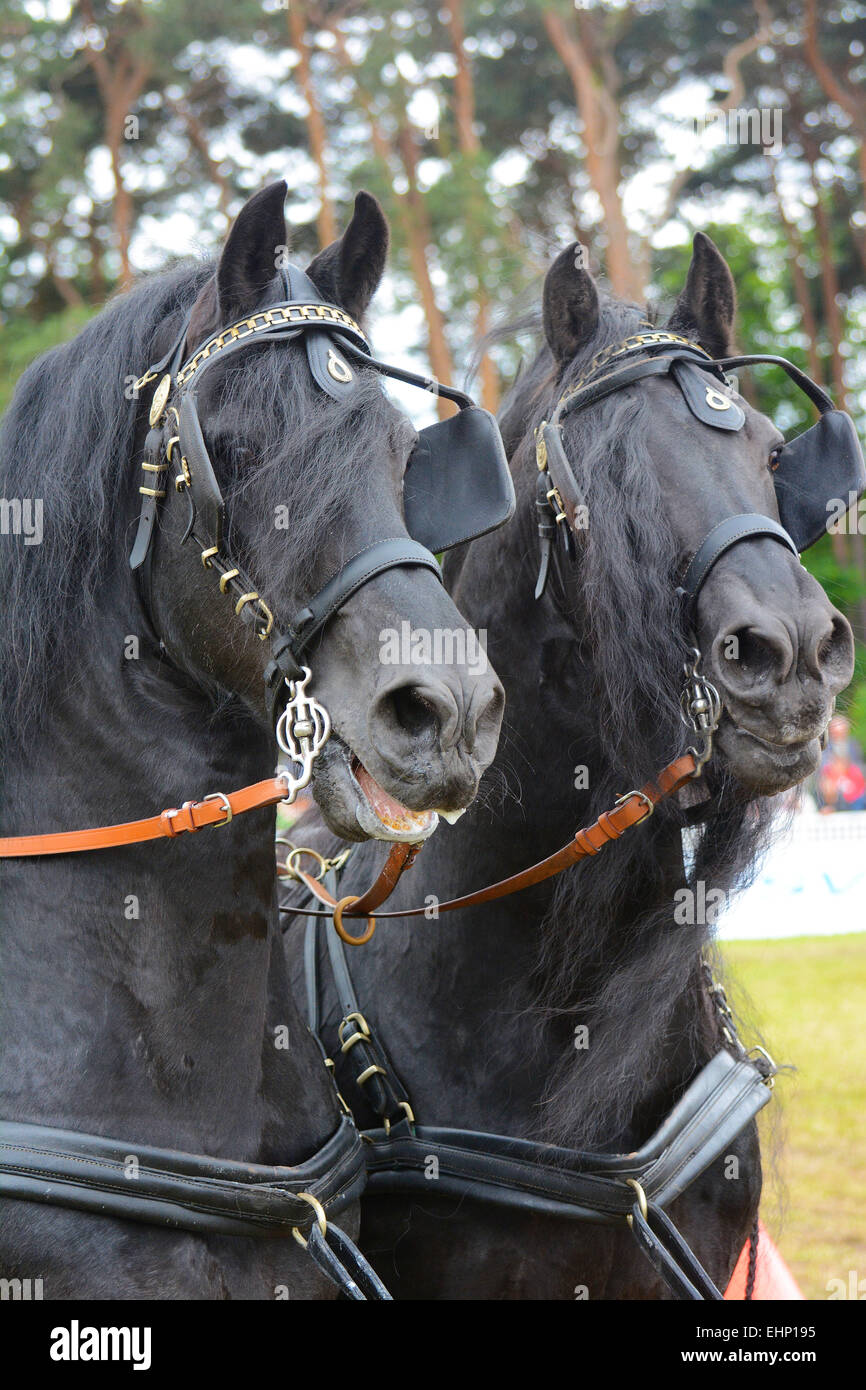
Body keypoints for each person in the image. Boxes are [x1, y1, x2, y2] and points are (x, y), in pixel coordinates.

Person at [816, 714, 866, 812]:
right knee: (829, 787)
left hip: (853, 778)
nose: (838, 735)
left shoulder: (854, 745)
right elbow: (822, 768)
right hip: (831, 779)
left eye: (841, 732)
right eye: (835, 732)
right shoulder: (825, 747)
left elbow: (859, 765)